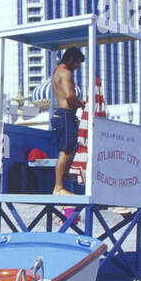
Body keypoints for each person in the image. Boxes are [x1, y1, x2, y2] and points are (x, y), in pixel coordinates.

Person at [51, 47, 85, 194]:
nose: (77, 67)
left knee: (68, 150)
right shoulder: (66, 73)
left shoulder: (57, 72)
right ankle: (58, 187)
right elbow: (70, 96)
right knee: (65, 151)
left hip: (61, 114)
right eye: (77, 63)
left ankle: (61, 184)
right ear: (71, 59)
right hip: (65, 115)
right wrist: (84, 105)